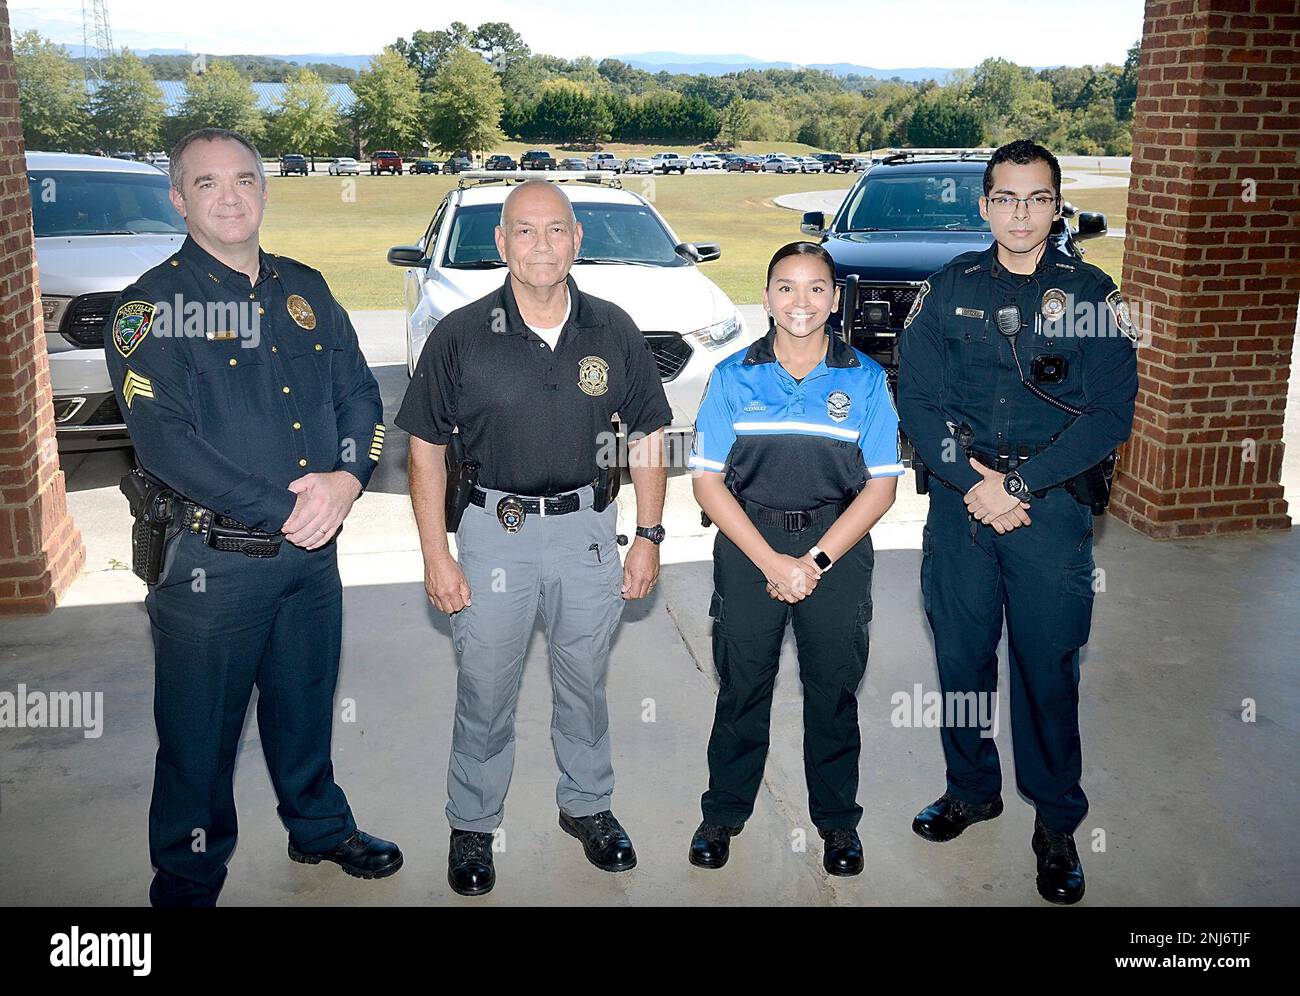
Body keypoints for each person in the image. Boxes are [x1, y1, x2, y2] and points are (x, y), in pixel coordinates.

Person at [104, 128, 402, 906]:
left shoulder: (303, 287)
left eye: (244, 180)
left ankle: (319, 828)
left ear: (264, 190)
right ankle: (188, 877)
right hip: (215, 564)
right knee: (200, 741)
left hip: (312, 554)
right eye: (208, 184)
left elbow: (361, 394)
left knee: (306, 705)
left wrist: (346, 478)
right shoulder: (150, 308)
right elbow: (166, 444)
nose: (230, 197)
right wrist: (286, 509)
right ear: (179, 199)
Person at [397, 179, 673, 897]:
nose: (540, 245)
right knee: (485, 687)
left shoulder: (613, 329)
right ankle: (473, 822)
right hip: (494, 531)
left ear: (577, 240)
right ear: (501, 243)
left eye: (555, 230)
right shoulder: (460, 335)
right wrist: (437, 553)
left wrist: (646, 535)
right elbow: (423, 446)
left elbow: (647, 434)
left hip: (588, 530)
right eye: (524, 230)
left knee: (583, 683)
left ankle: (587, 805)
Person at [896, 139, 1138, 905]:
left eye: (1037, 198)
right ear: (984, 206)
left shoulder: (1094, 294)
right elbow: (917, 398)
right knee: (962, 662)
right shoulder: (949, 286)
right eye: (1006, 197)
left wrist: (1021, 484)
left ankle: (1057, 822)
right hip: (961, 507)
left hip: (1050, 506)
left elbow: (1110, 413)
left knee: (1046, 669)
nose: (1022, 213)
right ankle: (971, 789)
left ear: (1057, 206)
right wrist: (975, 482)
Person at [687, 241, 901, 876]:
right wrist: (773, 564)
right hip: (750, 548)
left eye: (815, 288)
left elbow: (881, 487)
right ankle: (723, 813)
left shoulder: (865, 379)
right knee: (742, 686)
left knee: (832, 691)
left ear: (835, 300)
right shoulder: (732, 376)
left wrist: (815, 561)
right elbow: (707, 482)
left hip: (834, 548)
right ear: (766, 297)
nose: (800, 302)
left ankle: (837, 824)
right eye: (786, 287)